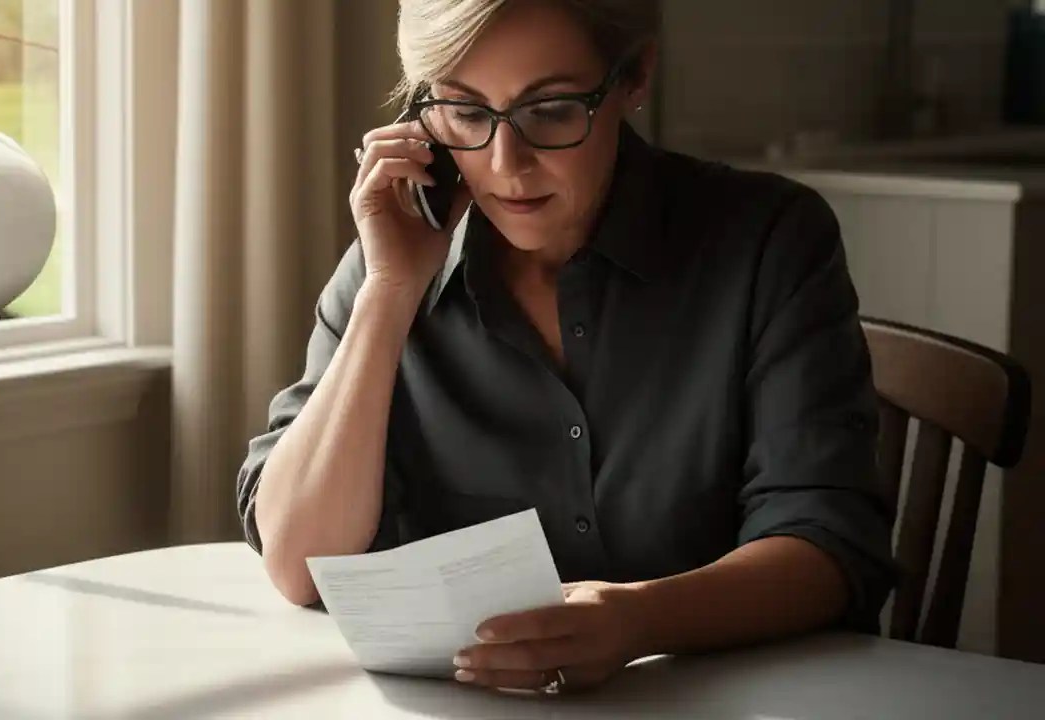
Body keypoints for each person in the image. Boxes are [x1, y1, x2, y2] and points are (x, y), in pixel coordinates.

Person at [237, 0, 895, 695]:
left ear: (635, 75)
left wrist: (641, 619)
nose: (504, 163)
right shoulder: (393, 256)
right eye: (463, 112)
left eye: (549, 110)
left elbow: (830, 548)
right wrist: (389, 292)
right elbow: (299, 563)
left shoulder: (769, 241)